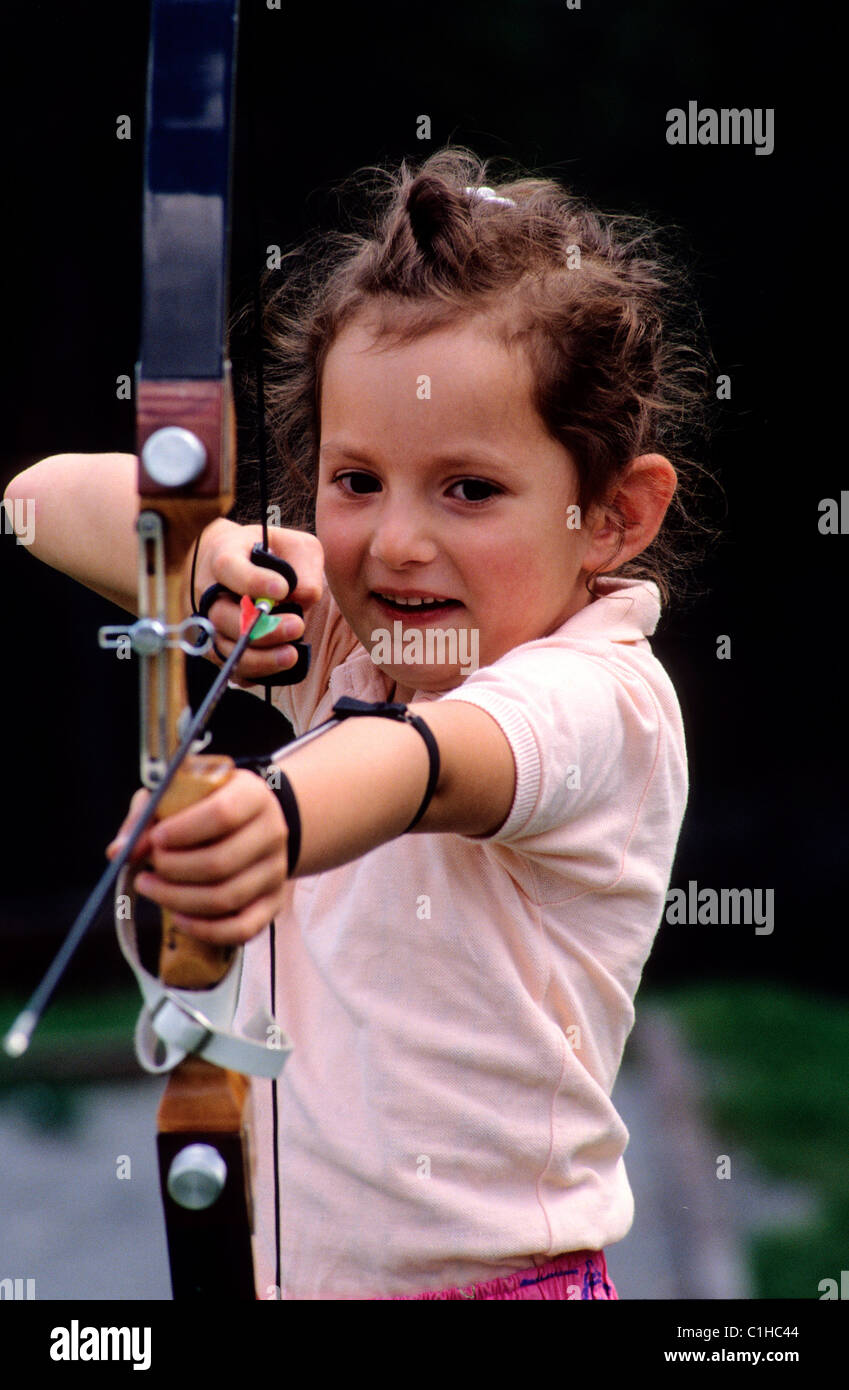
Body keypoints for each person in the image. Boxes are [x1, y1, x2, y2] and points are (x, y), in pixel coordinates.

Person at [5, 149, 708, 1300]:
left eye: (469, 489)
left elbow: (429, 766)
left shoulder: (601, 698)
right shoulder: (354, 645)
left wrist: (267, 815)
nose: (395, 544)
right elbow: (35, 500)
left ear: (611, 516)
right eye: (357, 480)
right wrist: (206, 550)